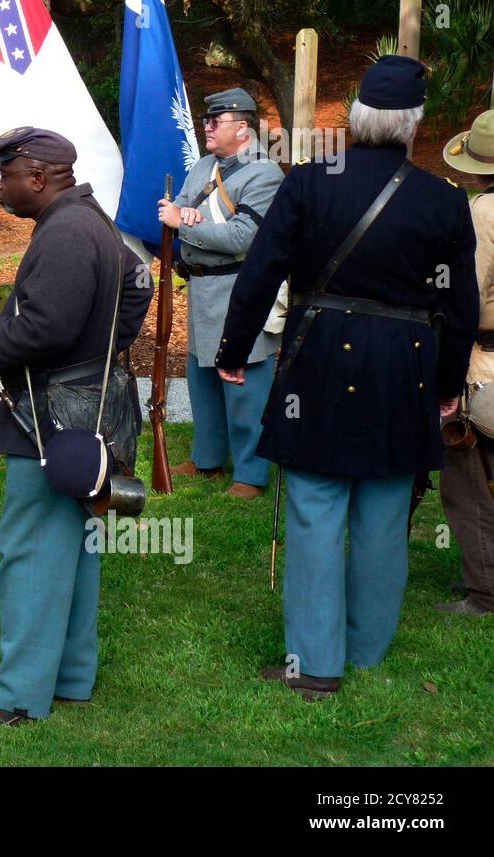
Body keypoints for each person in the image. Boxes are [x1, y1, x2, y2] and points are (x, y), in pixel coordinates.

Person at [217, 55, 478, 699]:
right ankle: (364, 650)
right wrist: (447, 385)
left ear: (357, 114)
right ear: (414, 125)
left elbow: (259, 275)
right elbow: (459, 308)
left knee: (314, 508)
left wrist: (233, 349)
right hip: (403, 371)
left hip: (319, 360)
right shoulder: (444, 201)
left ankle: (317, 662)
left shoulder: (307, 184)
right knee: (385, 513)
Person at [0, 127, 150, 725]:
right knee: (75, 545)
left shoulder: (64, 231)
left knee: (32, 549)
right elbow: (137, 287)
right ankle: (69, 678)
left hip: (50, 416)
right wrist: (102, 347)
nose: (1, 186)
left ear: (37, 177)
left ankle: (15, 697)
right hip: (85, 410)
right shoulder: (90, 220)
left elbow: (45, 329)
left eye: (6, 175)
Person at [158, 87, 284, 499]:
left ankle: (251, 472)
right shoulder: (203, 166)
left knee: (245, 379)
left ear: (243, 127)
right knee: (203, 378)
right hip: (201, 287)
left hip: (239, 288)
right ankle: (208, 458)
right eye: (206, 120)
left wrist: (187, 224)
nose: (206, 127)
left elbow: (244, 237)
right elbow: (174, 207)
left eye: (215, 121)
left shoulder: (264, 173)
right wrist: (181, 216)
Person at [436, 108, 494, 615]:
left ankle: (484, 591)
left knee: (467, 476)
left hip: (487, 365)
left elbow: (466, 295)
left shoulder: (483, 212)